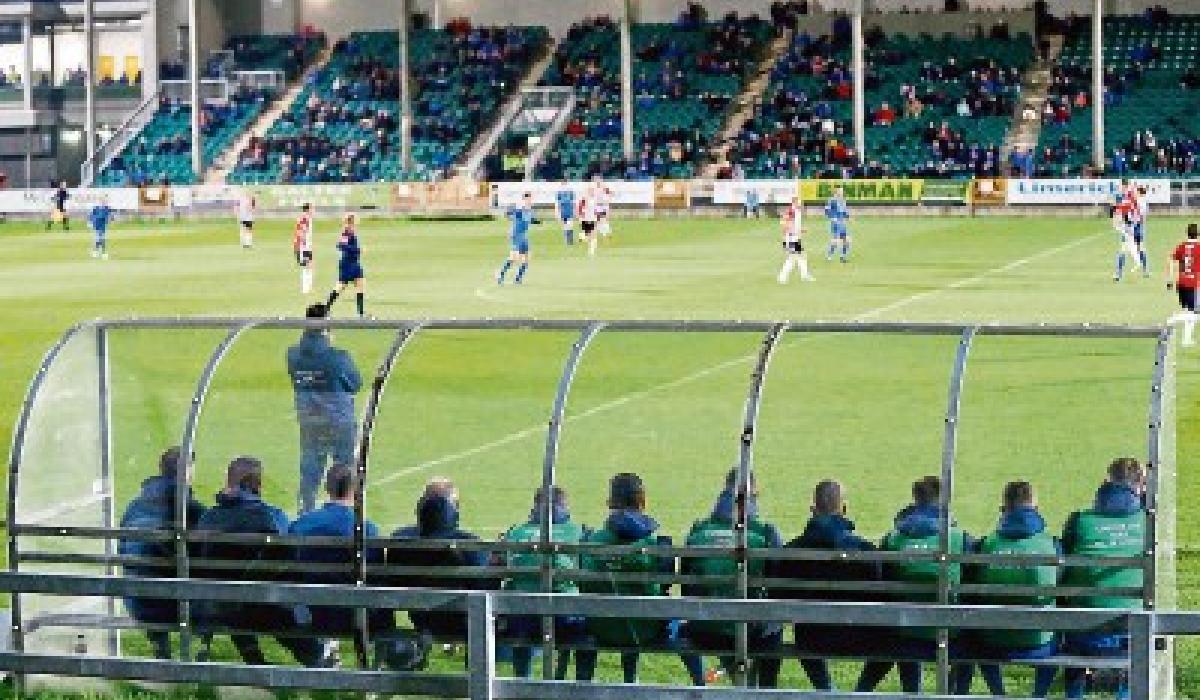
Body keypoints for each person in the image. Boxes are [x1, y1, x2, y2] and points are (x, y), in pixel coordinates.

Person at [576, 473, 705, 685]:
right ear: (642, 500)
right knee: (675, 624)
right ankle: (702, 687)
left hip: (601, 627)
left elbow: (583, 584)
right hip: (647, 630)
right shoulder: (658, 543)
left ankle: (582, 688)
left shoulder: (590, 540)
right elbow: (666, 583)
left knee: (619, 605)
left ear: (611, 500)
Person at [192, 456, 320, 666]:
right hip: (260, 608)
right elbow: (290, 551)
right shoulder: (269, 516)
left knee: (236, 597)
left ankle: (256, 661)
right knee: (280, 604)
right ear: (257, 484)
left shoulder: (208, 518)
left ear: (228, 481)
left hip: (214, 607)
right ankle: (316, 660)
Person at [767, 479, 892, 692]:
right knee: (896, 637)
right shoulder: (868, 552)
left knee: (801, 629)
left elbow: (778, 597)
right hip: (861, 637)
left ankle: (826, 690)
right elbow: (884, 595)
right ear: (844, 509)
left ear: (812, 510)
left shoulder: (791, 552)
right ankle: (860, 693)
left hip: (812, 639)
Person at [861, 476, 971, 694]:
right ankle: (953, 694)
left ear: (915, 500)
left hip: (904, 632)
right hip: (948, 636)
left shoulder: (892, 539)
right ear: (943, 501)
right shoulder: (961, 538)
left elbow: (882, 581)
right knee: (972, 641)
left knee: (902, 622)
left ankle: (907, 692)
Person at [955, 481, 1059, 697]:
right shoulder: (1051, 544)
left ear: (1003, 509)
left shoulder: (986, 544)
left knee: (972, 635)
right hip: (1038, 643)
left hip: (992, 640)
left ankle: (998, 693)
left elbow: (971, 585)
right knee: (1062, 635)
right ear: (1035, 508)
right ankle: (1038, 695)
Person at [682, 469, 783, 688]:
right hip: (752, 634)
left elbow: (686, 589)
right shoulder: (766, 533)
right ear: (754, 493)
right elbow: (777, 590)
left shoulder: (698, 531)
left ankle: (711, 684)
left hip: (706, 632)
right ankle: (764, 691)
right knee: (773, 628)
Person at [290, 463, 396, 667]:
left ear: (327, 488)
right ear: (356, 490)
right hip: (356, 615)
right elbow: (375, 577)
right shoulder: (366, 529)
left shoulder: (301, 524)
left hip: (310, 614)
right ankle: (378, 667)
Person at [1059, 458, 1147, 700]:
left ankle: (1075, 693)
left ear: (1104, 483)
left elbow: (1061, 567)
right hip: (1130, 632)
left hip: (1082, 631)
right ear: (1141, 486)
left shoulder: (1079, 520)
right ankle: (1125, 693)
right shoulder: (1148, 521)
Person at [386, 477, 497, 658]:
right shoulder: (469, 543)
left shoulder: (400, 538)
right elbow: (484, 587)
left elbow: (393, 581)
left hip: (421, 617)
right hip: (461, 620)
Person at [117, 447, 207, 659]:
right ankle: (204, 647)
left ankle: (160, 646)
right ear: (186, 472)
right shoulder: (189, 508)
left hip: (139, 604)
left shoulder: (134, 507)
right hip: (178, 607)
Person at [499, 486, 588, 679]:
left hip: (522, 619)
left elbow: (501, 569)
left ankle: (522, 681)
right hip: (566, 619)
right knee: (586, 627)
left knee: (519, 614)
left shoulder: (516, 532)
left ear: (535, 506)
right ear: (564, 506)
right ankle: (580, 685)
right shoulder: (580, 532)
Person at [287, 302, 362, 514]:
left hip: (310, 420)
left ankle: (305, 513)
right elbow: (355, 384)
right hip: (339, 421)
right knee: (345, 469)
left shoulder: (293, 355)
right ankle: (346, 515)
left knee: (310, 471)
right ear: (328, 326)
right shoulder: (338, 357)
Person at [326, 213, 365, 317]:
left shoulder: (352, 231)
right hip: (347, 263)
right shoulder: (346, 232)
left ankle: (360, 313)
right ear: (352, 221)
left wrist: (356, 251)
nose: (358, 221)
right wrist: (357, 250)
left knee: (360, 285)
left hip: (354, 263)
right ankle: (326, 309)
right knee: (340, 287)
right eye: (356, 219)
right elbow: (340, 245)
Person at [1167, 223, 1198, 347]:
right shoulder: (1199, 247)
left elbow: (1170, 259)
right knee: (1194, 314)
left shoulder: (1182, 246)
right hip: (1193, 284)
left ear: (1187, 233)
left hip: (1181, 283)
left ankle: (1186, 340)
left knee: (1189, 312)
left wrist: (1169, 279)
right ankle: (1172, 320)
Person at [498, 192, 538, 285]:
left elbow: (530, 220)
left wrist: (537, 222)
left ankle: (518, 278)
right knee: (514, 257)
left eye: (531, 199)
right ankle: (501, 274)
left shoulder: (529, 211)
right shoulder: (520, 209)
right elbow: (507, 213)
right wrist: (511, 227)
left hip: (524, 236)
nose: (530, 201)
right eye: (528, 199)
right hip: (516, 235)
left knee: (527, 257)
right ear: (524, 199)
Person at [777, 195, 814, 283]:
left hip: (795, 238)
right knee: (794, 257)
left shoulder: (797, 211)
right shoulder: (791, 211)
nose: (801, 204)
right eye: (799, 202)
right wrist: (790, 232)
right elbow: (783, 223)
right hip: (791, 239)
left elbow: (794, 225)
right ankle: (783, 277)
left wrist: (801, 230)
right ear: (795, 202)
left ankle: (804, 275)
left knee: (799, 256)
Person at [823, 186, 851, 262]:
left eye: (842, 192)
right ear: (837, 192)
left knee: (847, 240)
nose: (842, 193)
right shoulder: (832, 200)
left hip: (842, 223)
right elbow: (826, 210)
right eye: (840, 192)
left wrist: (848, 217)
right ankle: (829, 256)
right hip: (836, 223)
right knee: (835, 241)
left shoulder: (843, 201)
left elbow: (845, 211)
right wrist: (832, 218)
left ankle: (842, 257)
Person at [294, 203, 315, 294]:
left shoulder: (307, 218)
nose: (313, 210)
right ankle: (305, 289)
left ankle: (308, 287)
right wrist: (302, 246)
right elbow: (301, 233)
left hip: (306, 246)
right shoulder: (304, 219)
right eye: (311, 208)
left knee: (310, 265)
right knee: (306, 266)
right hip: (303, 246)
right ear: (307, 209)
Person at [577, 186, 600, 257]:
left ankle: (591, 249)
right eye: (590, 191)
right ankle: (583, 236)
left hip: (593, 218)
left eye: (592, 190)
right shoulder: (584, 199)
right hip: (586, 219)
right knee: (587, 235)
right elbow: (580, 209)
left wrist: (597, 217)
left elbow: (596, 209)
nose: (591, 192)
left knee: (593, 233)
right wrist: (580, 217)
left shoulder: (595, 199)